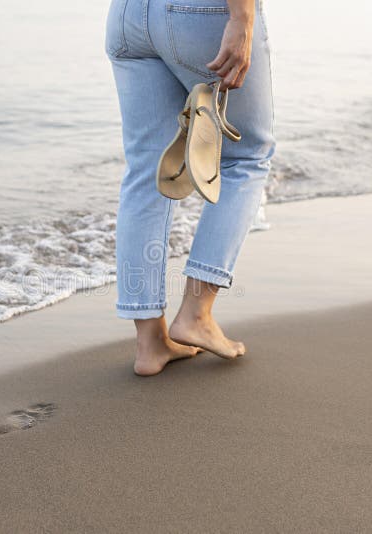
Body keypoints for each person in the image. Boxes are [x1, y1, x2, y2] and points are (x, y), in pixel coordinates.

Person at [105, 0, 275, 375]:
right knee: (246, 157)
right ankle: (196, 314)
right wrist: (242, 16)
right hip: (201, 12)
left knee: (147, 171)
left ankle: (150, 343)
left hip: (128, 16)